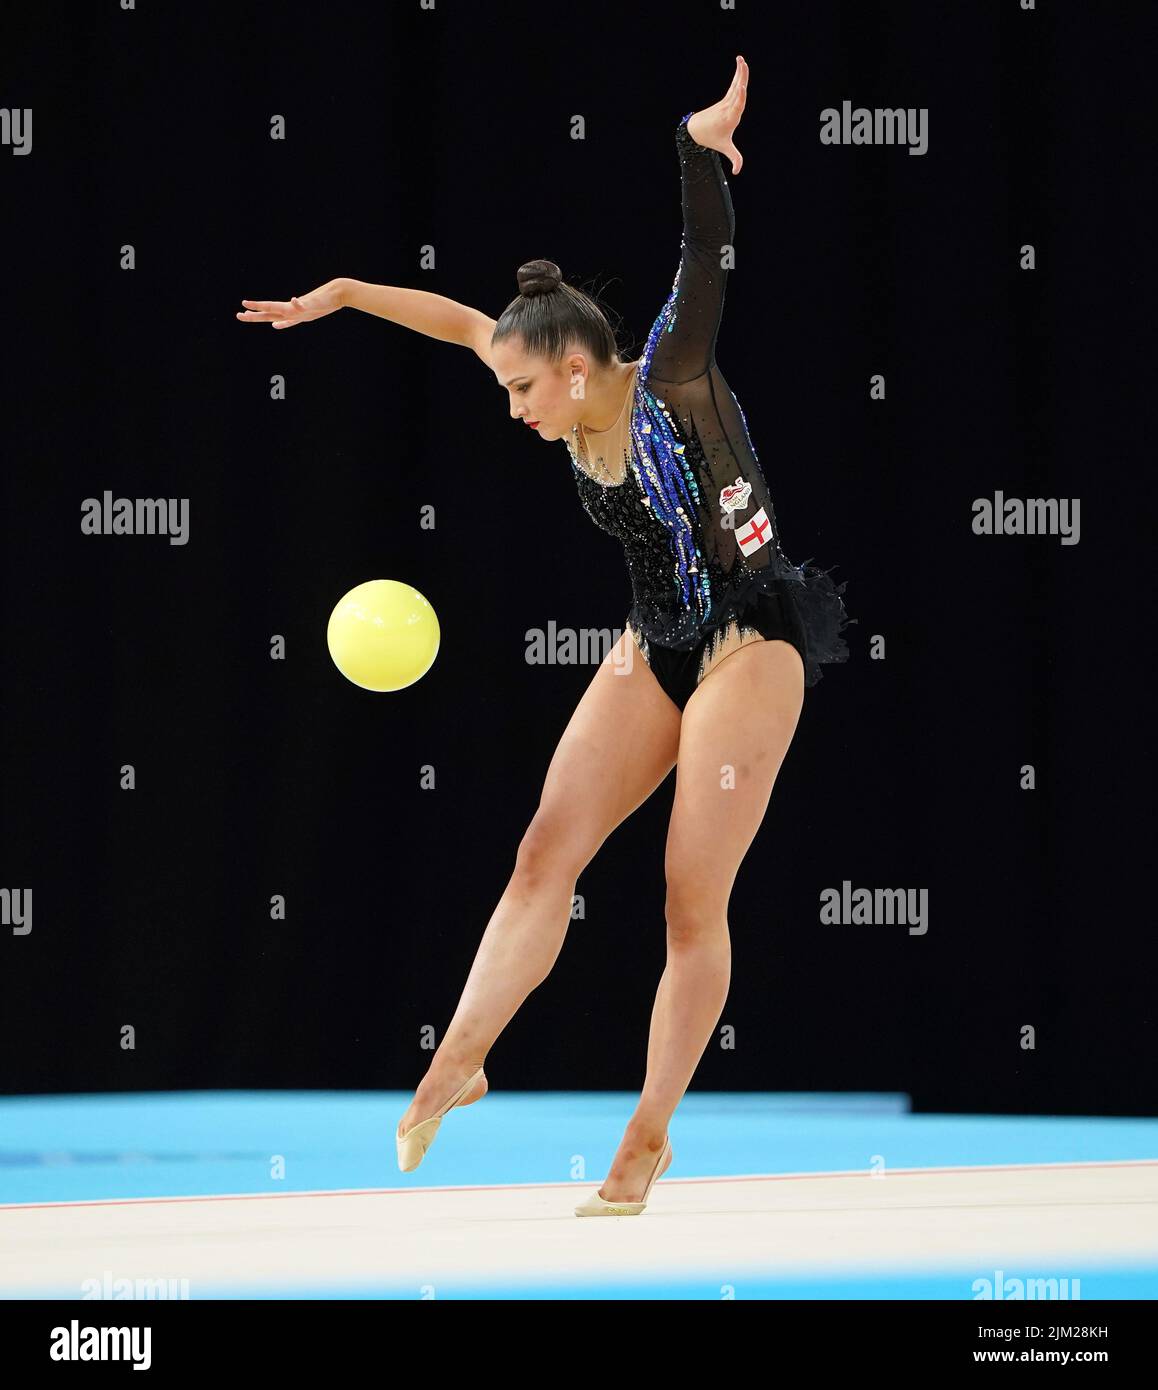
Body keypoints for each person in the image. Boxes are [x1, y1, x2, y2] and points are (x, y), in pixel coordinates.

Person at [236, 56, 852, 1215]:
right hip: (656, 637)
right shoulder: (540, 367)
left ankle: (649, 1135)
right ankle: (456, 1063)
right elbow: (463, 323)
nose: (512, 410)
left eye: (524, 392)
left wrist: (694, 147)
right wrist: (345, 296)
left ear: (579, 369)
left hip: (751, 635)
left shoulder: (670, 376)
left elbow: (702, 260)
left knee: (685, 894)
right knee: (541, 852)